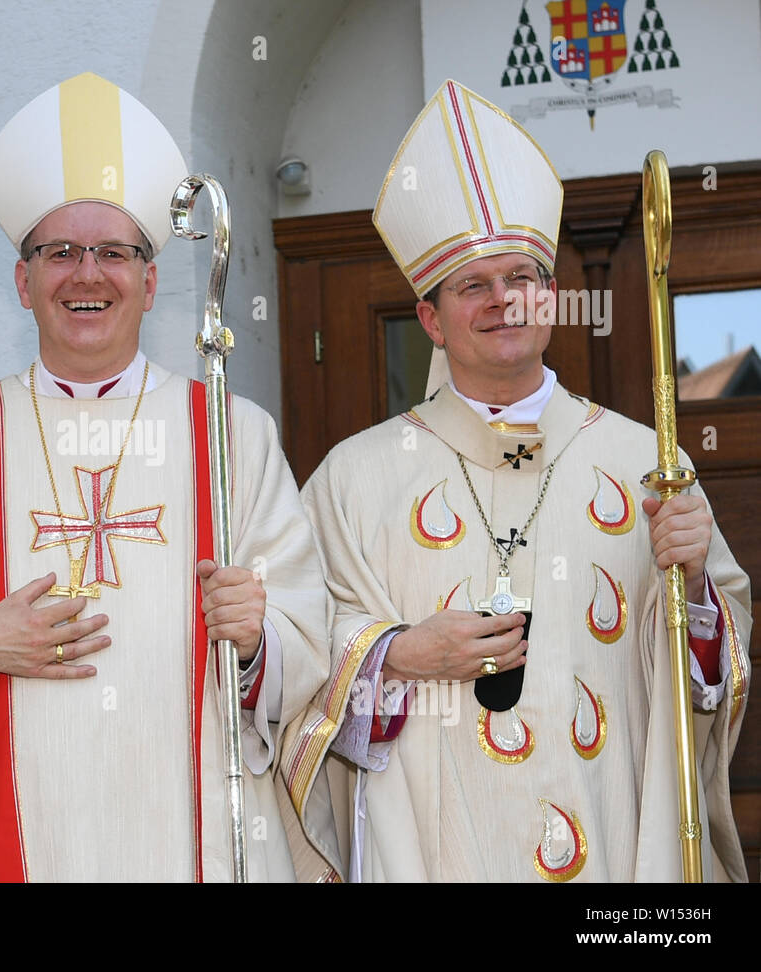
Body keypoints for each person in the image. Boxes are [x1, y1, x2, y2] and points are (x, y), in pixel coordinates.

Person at [0, 72, 329, 881]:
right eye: (59, 252)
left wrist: (259, 639)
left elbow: (306, 633)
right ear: (22, 281)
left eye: (115, 252)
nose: (87, 275)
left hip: (195, 836)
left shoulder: (233, 436)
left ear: (151, 282)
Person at [282, 80, 751, 882]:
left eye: (522, 277)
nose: (503, 300)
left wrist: (696, 587)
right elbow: (291, 664)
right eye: (473, 285)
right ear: (431, 319)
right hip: (432, 851)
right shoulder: (353, 482)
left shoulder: (650, 466)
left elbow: (711, 683)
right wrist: (396, 656)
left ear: (553, 296)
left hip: (610, 850)